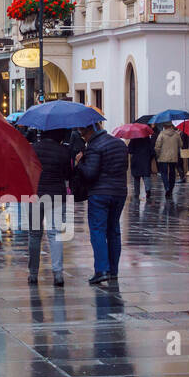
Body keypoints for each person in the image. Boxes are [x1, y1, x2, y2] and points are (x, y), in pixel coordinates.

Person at [75, 122, 128, 284]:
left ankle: (101, 270)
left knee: (97, 230)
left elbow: (90, 173)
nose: (83, 138)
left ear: (90, 130)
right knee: (114, 231)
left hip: (100, 194)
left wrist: (80, 162)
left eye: (83, 134)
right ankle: (113, 270)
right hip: (119, 192)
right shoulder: (119, 144)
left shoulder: (94, 146)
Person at [28, 128, 71, 286]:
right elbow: (67, 175)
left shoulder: (32, 149)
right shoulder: (64, 151)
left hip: (35, 194)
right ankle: (58, 273)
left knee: (34, 234)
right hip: (57, 195)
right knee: (55, 234)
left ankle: (33, 274)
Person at [154, 122, 182, 200]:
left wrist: (157, 154)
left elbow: (157, 146)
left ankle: (167, 187)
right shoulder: (176, 134)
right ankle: (171, 188)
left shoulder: (161, 134)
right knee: (172, 173)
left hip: (163, 157)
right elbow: (181, 145)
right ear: (171, 126)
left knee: (164, 173)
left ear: (164, 126)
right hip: (173, 157)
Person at [127, 129, 155, 203]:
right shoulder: (147, 138)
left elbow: (129, 150)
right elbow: (152, 150)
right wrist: (149, 158)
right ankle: (148, 190)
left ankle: (137, 193)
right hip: (145, 159)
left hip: (136, 160)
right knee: (146, 176)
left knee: (136, 178)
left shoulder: (133, 139)